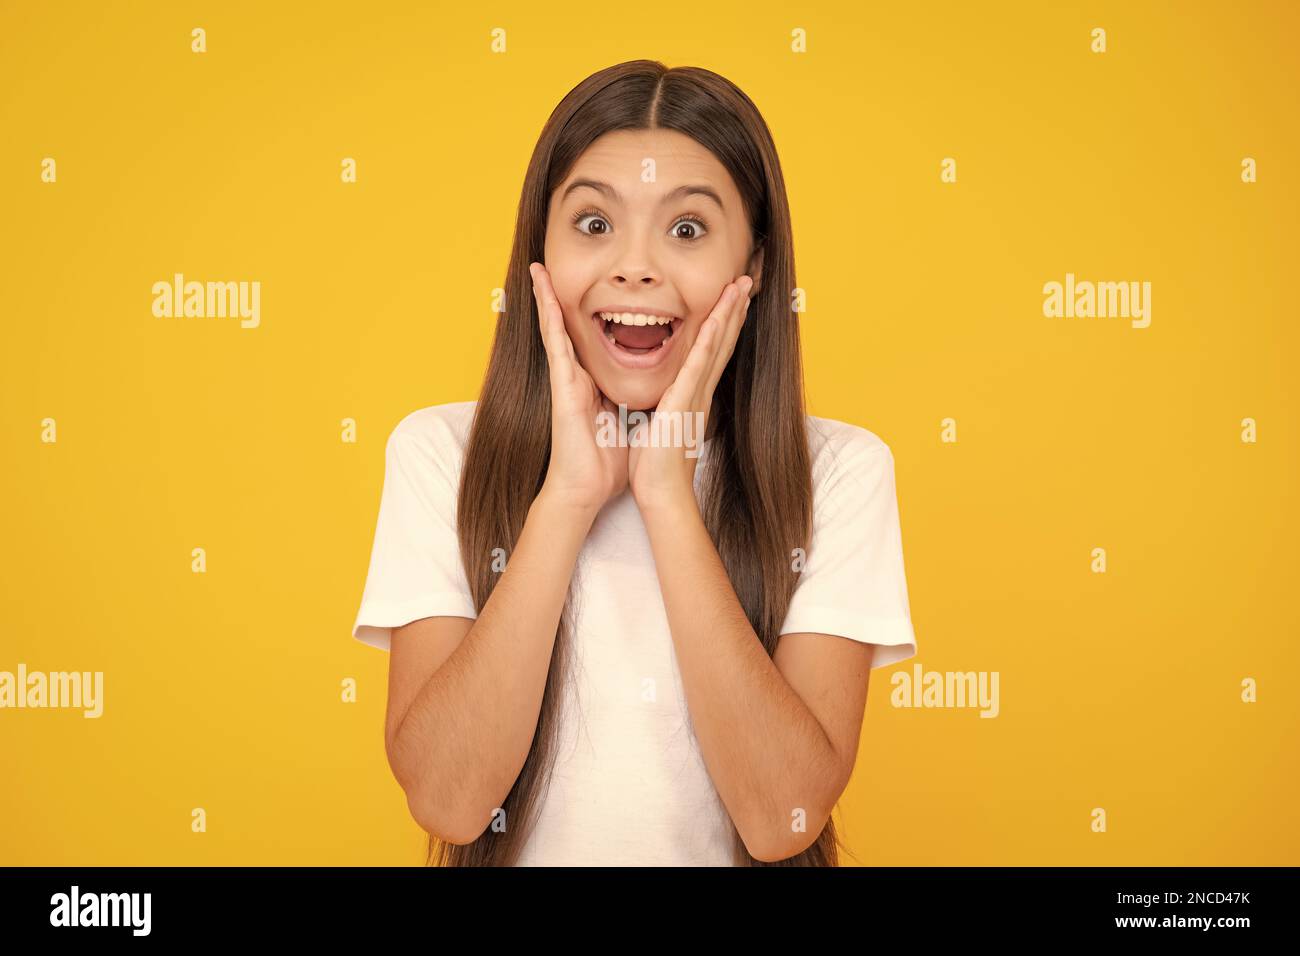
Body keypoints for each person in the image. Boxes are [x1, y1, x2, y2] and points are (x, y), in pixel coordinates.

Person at [352, 60, 917, 866]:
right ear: (535, 253)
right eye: (593, 224)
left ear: (750, 266)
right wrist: (569, 498)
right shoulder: (441, 454)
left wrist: (668, 496)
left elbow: (780, 818)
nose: (635, 267)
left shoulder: (840, 473)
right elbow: (448, 799)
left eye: (686, 229)